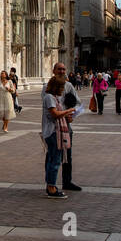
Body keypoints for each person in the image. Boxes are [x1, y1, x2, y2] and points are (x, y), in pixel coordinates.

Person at [52, 60, 82, 190]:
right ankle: (51, 184)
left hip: (66, 126)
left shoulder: (69, 86)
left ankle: (67, 181)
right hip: (52, 126)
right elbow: (49, 108)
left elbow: (78, 104)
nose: (62, 71)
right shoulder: (48, 87)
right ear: (53, 71)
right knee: (52, 155)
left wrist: (72, 115)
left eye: (63, 69)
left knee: (67, 154)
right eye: (59, 69)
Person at [42, 73, 68, 197]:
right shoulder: (49, 97)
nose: (63, 90)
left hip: (55, 131)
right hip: (52, 132)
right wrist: (68, 111)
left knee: (53, 159)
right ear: (56, 87)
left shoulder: (54, 97)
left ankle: (50, 185)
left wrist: (66, 115)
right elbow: (55, 114)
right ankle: (51, 187)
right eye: (61, 87)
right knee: (55, 160)